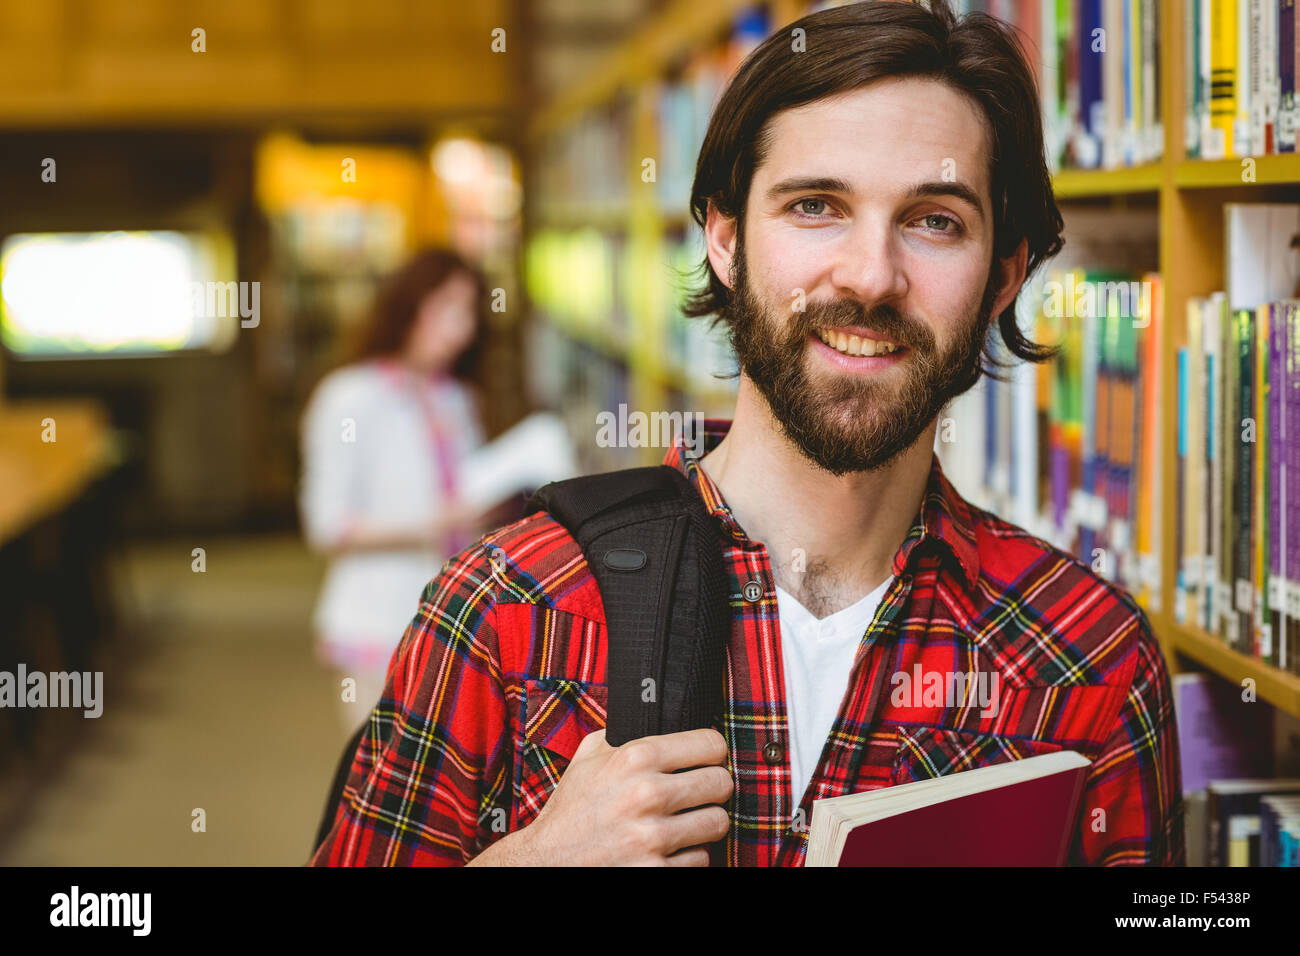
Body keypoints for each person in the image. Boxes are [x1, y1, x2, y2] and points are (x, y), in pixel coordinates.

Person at [311, 0, 1184, 866]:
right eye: (815, 206)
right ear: (727, 243)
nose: (871, 277)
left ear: (1002, 279)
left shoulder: (1090, 656)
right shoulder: (505, 607)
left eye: (934, 221)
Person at [299, 248, 491, 736]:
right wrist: (435, 522)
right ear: (408, 305)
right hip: (378, 617)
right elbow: (327, 525)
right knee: (381, 783)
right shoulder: (349, 398)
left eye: (469, 313)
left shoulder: (456, 397)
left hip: (456, 617)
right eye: (446, 308)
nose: (461, 330)